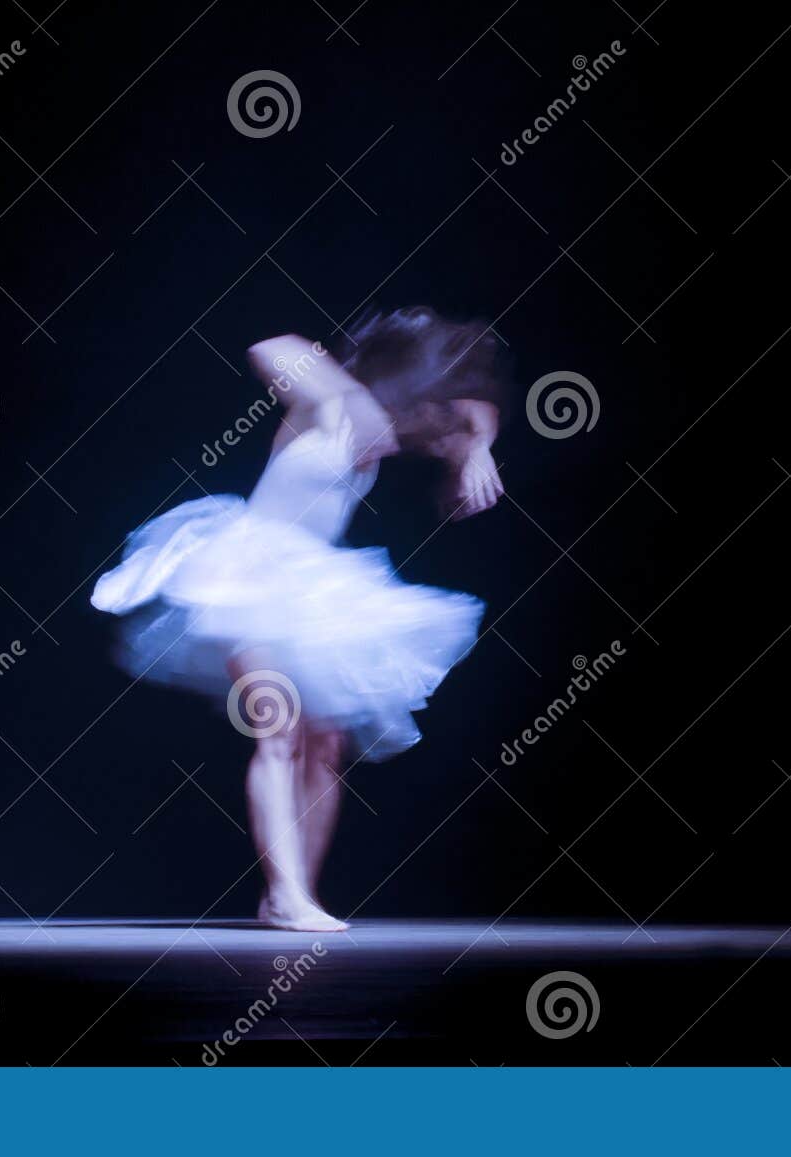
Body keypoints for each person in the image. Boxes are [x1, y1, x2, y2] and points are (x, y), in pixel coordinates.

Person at [91, 308, 507, 932]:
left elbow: (475, 413)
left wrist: (478, 452)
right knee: (278, 728)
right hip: (247, 573)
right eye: (420, 391)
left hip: (312, 589)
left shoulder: (391, 425)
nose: (428, 413)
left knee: (326, 742)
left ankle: (291, 896)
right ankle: (287, 895)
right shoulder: (325, 403)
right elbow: (271, 345)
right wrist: (348, 393)